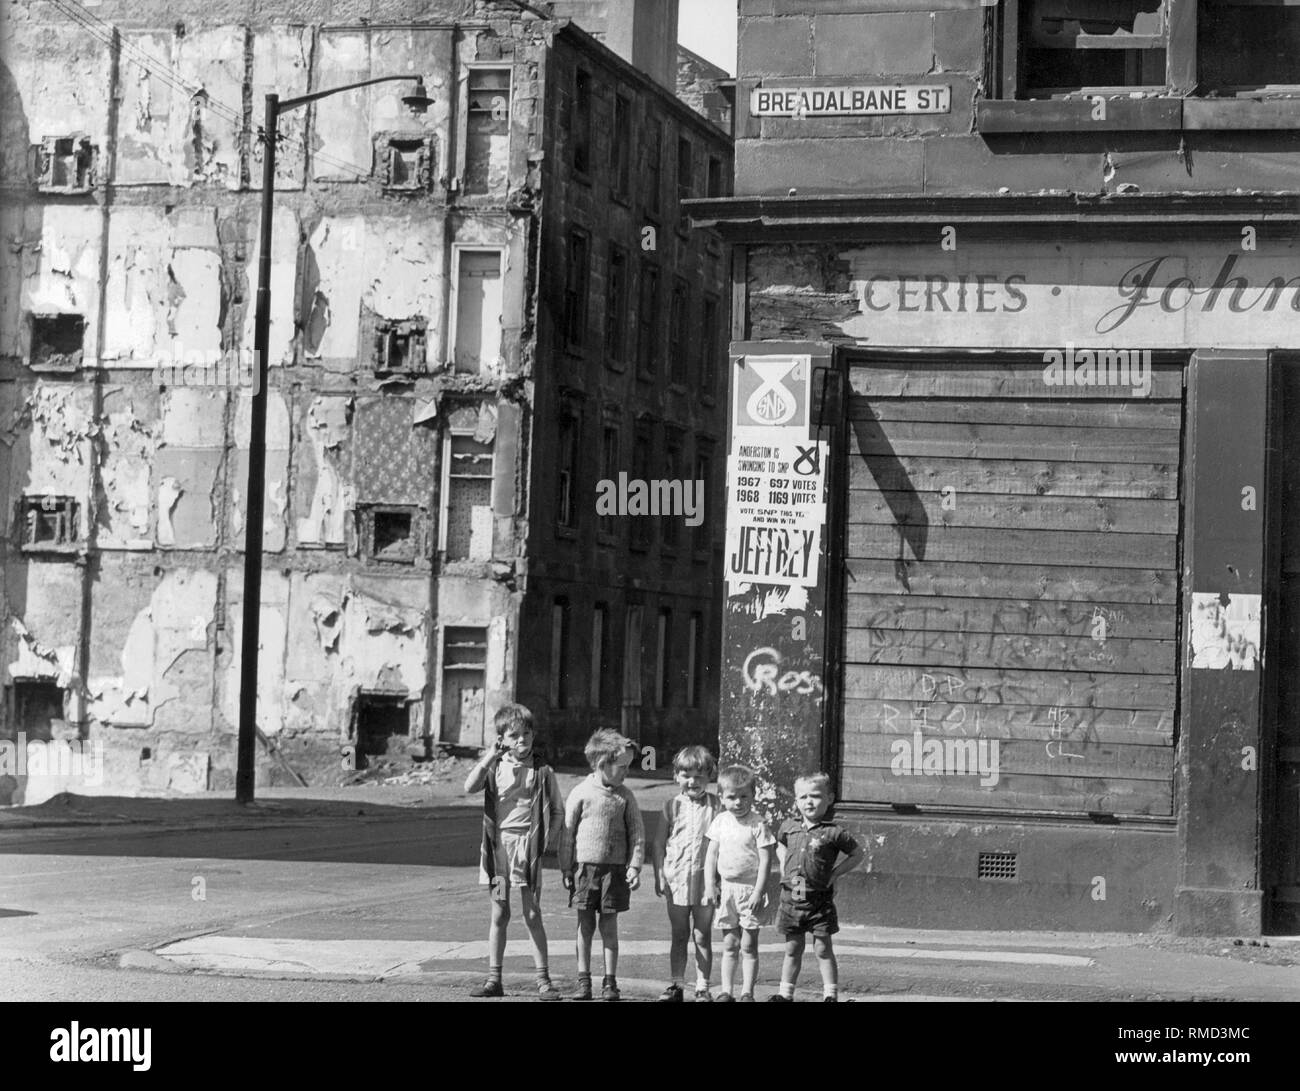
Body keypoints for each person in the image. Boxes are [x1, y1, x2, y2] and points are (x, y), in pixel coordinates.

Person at [463, 703, 564, 1000]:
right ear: (502, 738)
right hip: (499, 852)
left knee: (532, 914)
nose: (522, 740)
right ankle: (494, 979)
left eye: (527, 733)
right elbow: (470, 786)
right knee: (500, 913)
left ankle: (544, 981)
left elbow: (557, 811)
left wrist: (547, 841)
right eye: (514, 735)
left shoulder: (543, 770)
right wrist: (489, 756)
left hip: (528, 850)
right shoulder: (495, 766)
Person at [559, 729, 646, 1001]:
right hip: (585, 870)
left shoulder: (625, 797)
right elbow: (567, 833)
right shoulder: (581, 792)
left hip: (615, 871)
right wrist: (565, 867)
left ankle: (610, 983)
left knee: (609, 926)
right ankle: (583, 981)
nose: (626, 773)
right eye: (622, 767)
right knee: (584, 926)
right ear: (601, 764)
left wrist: (634, 866)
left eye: (628, 767)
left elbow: (637, 833)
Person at [769, 772, 866, 1003]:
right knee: (793, 948)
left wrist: (835, 874)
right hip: (791, 899)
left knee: (823, 948)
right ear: (796, 800)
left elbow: (857, 854)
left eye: (815, 796)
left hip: (819, 901)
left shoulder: (834, 832)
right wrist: (784, 863)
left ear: (829, 798)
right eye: (803, 797)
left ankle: (830, 994)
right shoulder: (789, 826)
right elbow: (779, 845)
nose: (809, 802)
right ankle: (785, 994)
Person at [652, 745, 721, 1002]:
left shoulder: (718, 805)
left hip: (706, 881)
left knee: (702, 935)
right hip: (677, 878)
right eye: (687, 775)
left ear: (710, 776)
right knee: (679, 934)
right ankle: (677, 985)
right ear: (676, 776)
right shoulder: (671, 806)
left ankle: (703, 987)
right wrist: (659, 873)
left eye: (700, 775)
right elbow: (659, 843)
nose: (693, 781)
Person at [703, 765, 775, 1002]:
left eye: (744, 796)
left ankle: (747, 992)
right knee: (730, 943)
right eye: (732, 797)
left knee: (748, 944)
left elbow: (766, 861)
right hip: (727, 890)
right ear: (722, 798)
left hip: (750, 892)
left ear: (753, 796)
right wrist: (709, 886)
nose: (738, 802)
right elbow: (711, 855)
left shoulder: (758, 824)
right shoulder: (720, 822)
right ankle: (726, 991)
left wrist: (758, 891)